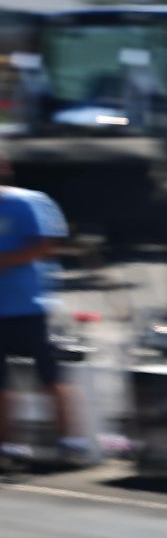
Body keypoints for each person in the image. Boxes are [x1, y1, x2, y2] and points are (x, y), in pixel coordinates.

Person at [0, 143, 87, 470]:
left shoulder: (27, 202)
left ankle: (71, 441)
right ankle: (9, 446)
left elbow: (47, 245)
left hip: (28, 306)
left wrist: (4, 261)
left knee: (50, 376)